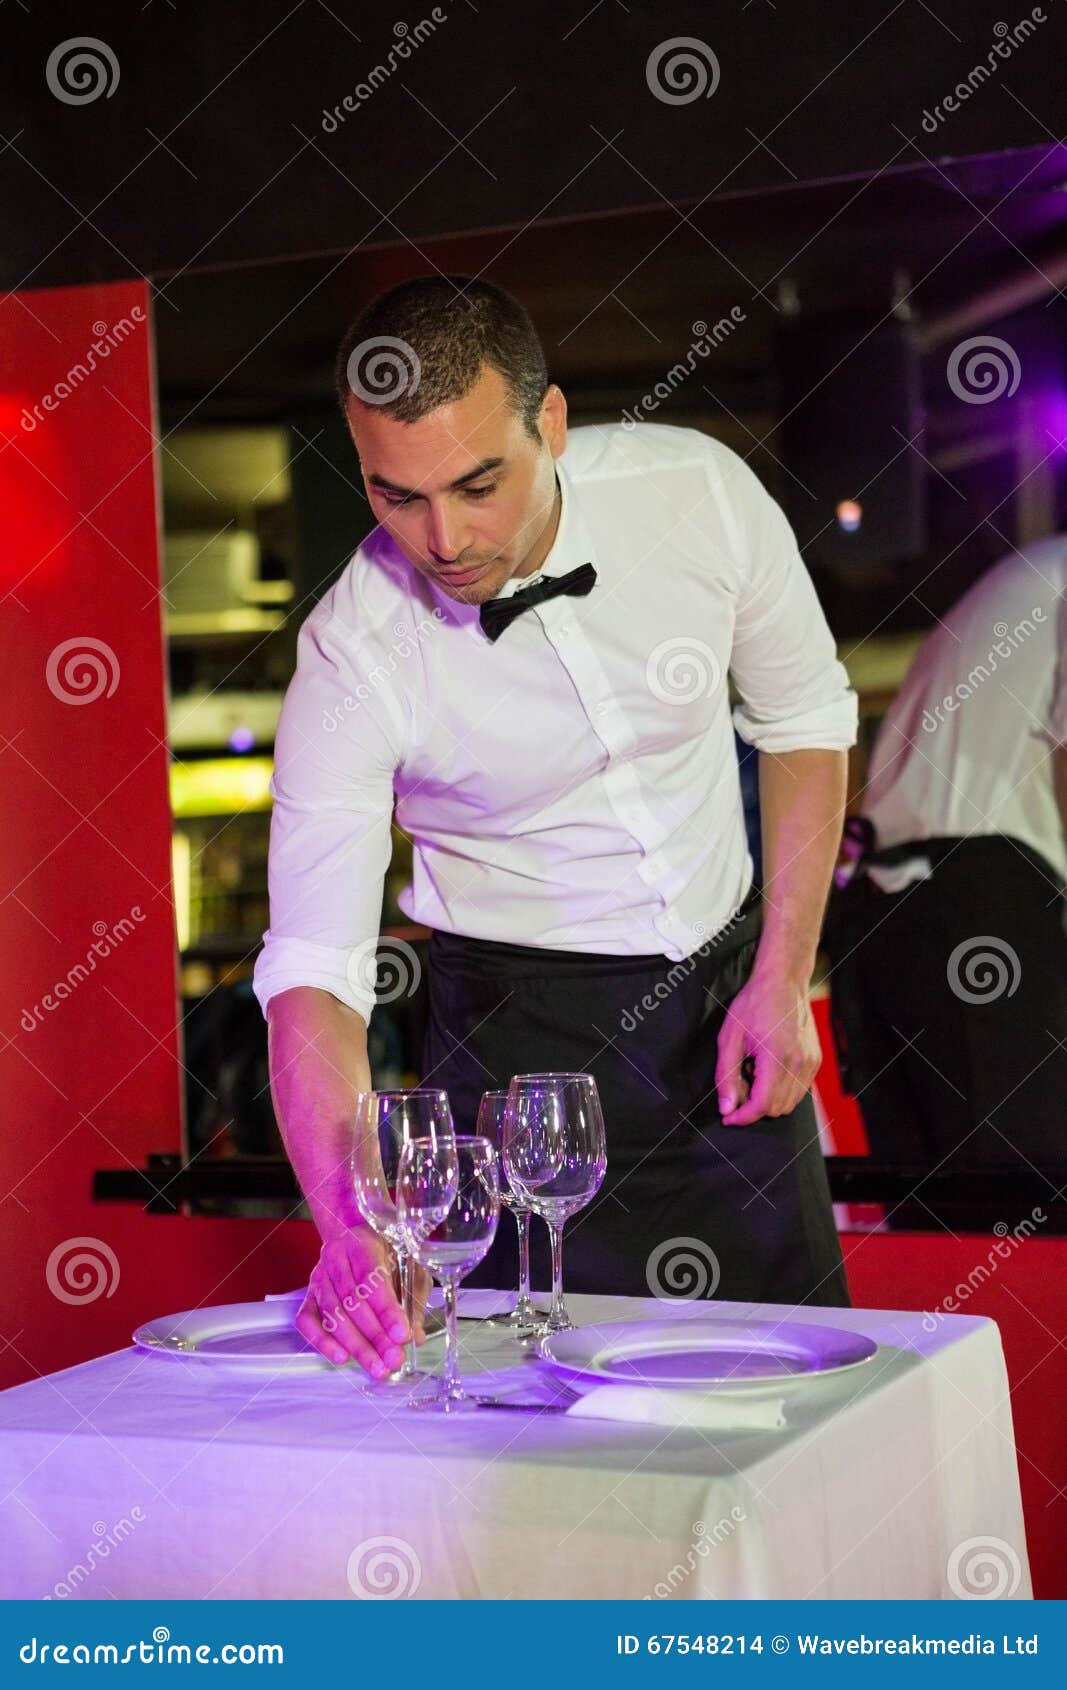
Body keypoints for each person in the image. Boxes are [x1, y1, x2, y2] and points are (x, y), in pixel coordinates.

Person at [253, 275, 857, 1378]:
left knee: (796, 1399)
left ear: (553, 423)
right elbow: (313, 970)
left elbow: (803, 719)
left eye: (478, 484)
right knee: (544, 1449)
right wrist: (347, 1218)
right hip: (517, 1063)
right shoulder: (353, 654)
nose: (443, 537)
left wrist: (785, 971)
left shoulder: (699, 494)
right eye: (396, 497)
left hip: (731, 1016)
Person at [825, 537, 1067, 1210]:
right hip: (981, 902)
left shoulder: (1029, 573)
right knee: (1027, 1209)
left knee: (940, 1221)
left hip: (894, 914)